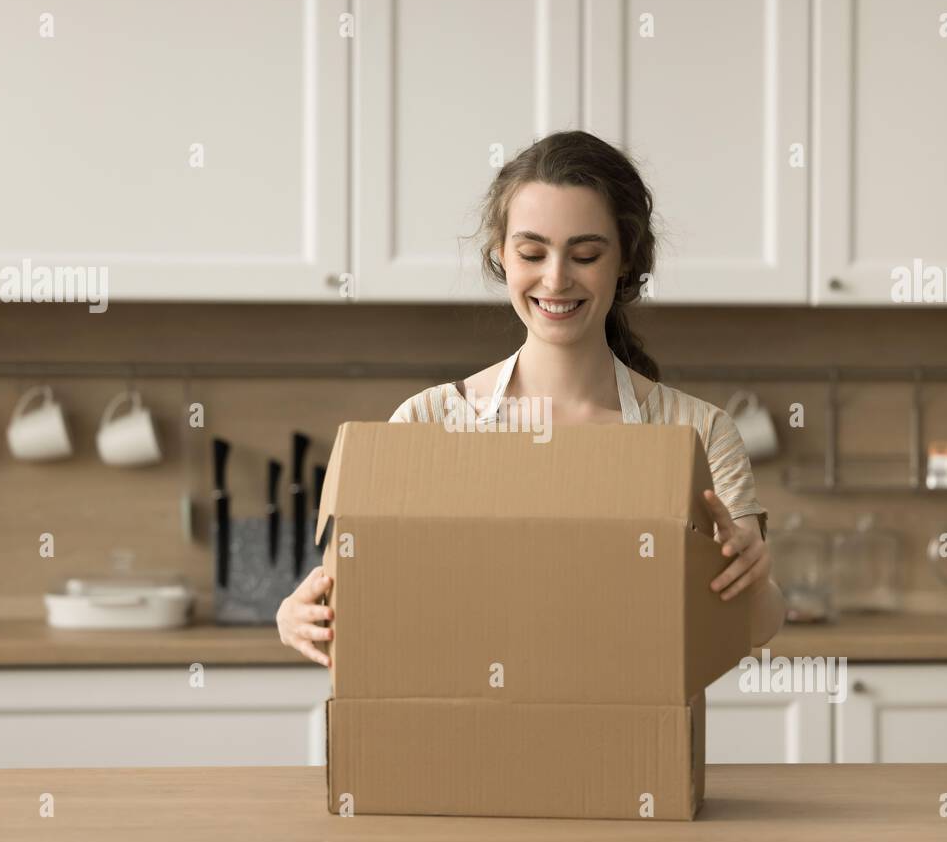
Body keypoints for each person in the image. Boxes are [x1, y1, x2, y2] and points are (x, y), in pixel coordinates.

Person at [277, 130, 785, 666]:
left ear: (626, 261)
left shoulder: (698, 433)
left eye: (585, 254)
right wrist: (298, 615)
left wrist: (752, 579)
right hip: (469, 735)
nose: (557, 278)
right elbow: (368, 597)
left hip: (632, 736)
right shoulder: (427, 422)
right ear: (502, 258)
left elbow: (756, 630)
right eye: (532, 252)